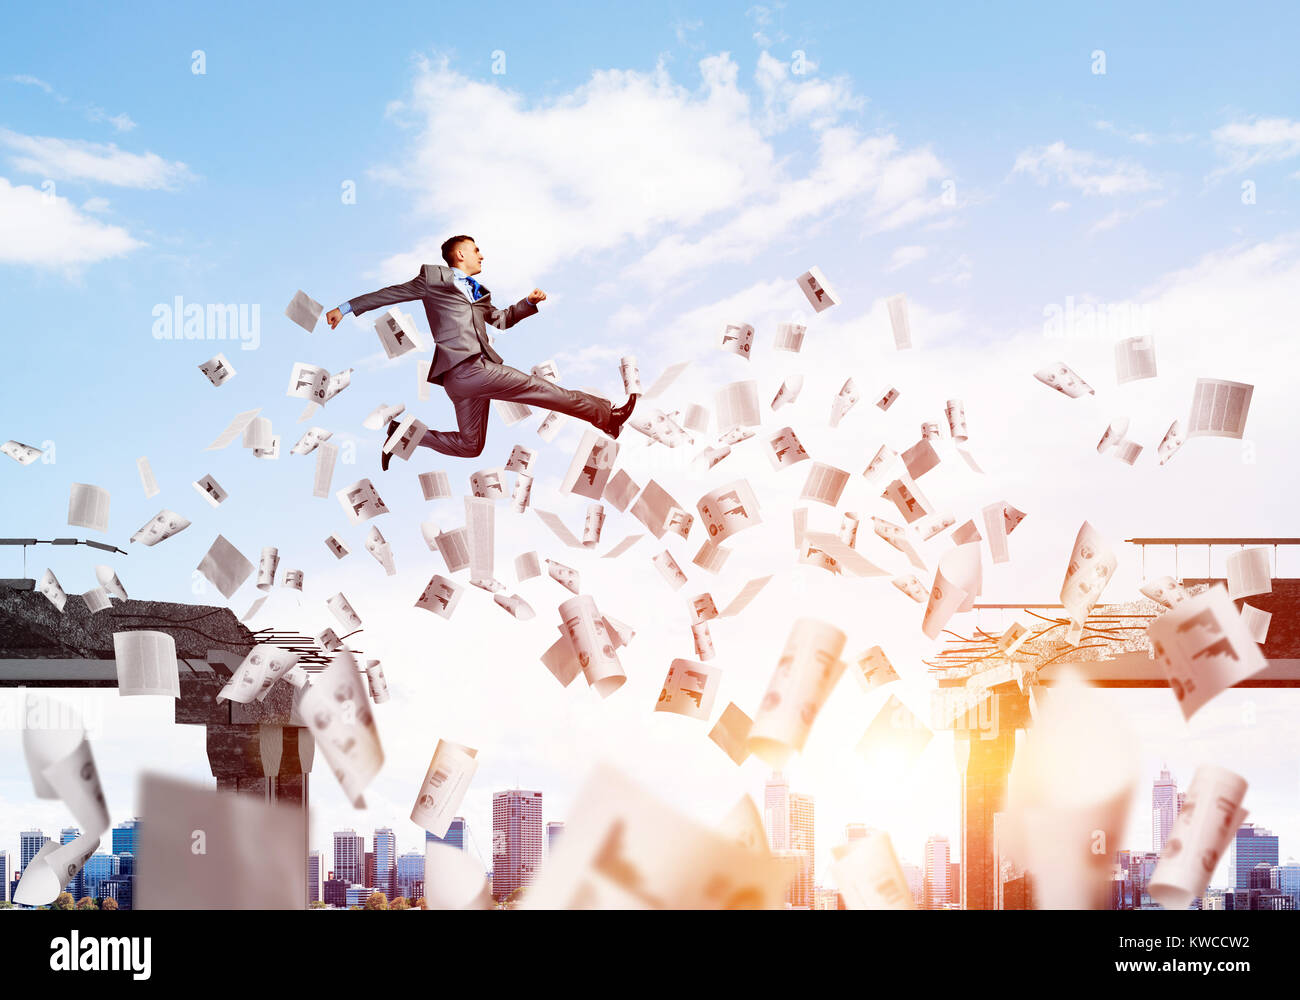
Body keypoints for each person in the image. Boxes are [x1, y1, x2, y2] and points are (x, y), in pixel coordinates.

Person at [327, 235, 637, 469]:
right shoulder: (433, 279)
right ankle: (606, 416)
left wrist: (527, 304)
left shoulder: (476, 290)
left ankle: (401, 433)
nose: (481, 255)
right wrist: (345, 308)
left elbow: (500, 320)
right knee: (539, 388)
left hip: (466, 378)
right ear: (460, 254)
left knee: (470, 445)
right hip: (468, 368)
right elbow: (391, 293)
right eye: (476, 250)